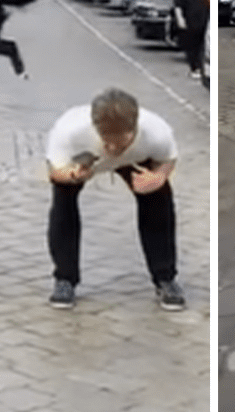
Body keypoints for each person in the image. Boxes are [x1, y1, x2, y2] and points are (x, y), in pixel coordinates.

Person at [44, 87, 185, 311]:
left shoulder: (156, 131)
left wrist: (158, 178)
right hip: (84, 161)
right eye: (107, 141)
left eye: (121, 143)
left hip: (136, 161)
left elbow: (168, 159)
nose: (113, 149)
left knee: (159, 199)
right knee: (63, 201)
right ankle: (65, 279)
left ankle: (165, 279)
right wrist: (72, 175)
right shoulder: (69, 132)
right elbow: (53, 173)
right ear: (96, 129)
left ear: (135, 128)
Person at [172, 0, 209, 79]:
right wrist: (180, 19)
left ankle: (203, 69)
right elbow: (178, 6)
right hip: (190, 22)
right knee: (191, 47)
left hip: (205, 22)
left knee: (203, 47)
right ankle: (194, 68)